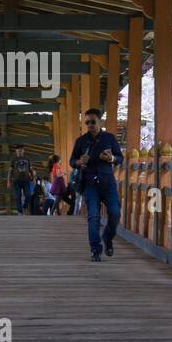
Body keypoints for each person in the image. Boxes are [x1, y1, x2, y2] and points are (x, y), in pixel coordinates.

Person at [69, 107, 124, 262]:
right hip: (89, 184)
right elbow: (72, 161)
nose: (90, 125)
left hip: (108, 182)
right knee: (93, 217)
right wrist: (80, 161)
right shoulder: (81, 141)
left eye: (93, 122)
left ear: (100, 121)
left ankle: (107, 237)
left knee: (115, 213)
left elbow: (120, 158)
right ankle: (95, 249)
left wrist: (111, 159)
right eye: (87, 122)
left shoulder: (109, 138)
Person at [8, 145, 34, 214]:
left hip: (26, 180)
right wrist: (8, 181)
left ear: (23, 150)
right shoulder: (13, 160)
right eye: (18, 150)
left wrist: (34, 179)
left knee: (28, 195)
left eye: (21, 150)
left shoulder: (27, 159)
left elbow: (31, 169)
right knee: (18, 196)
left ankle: (25, 207)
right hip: (16, 181)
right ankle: (20, 211)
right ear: (16, 151)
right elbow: (10, 171)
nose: (19, 151)